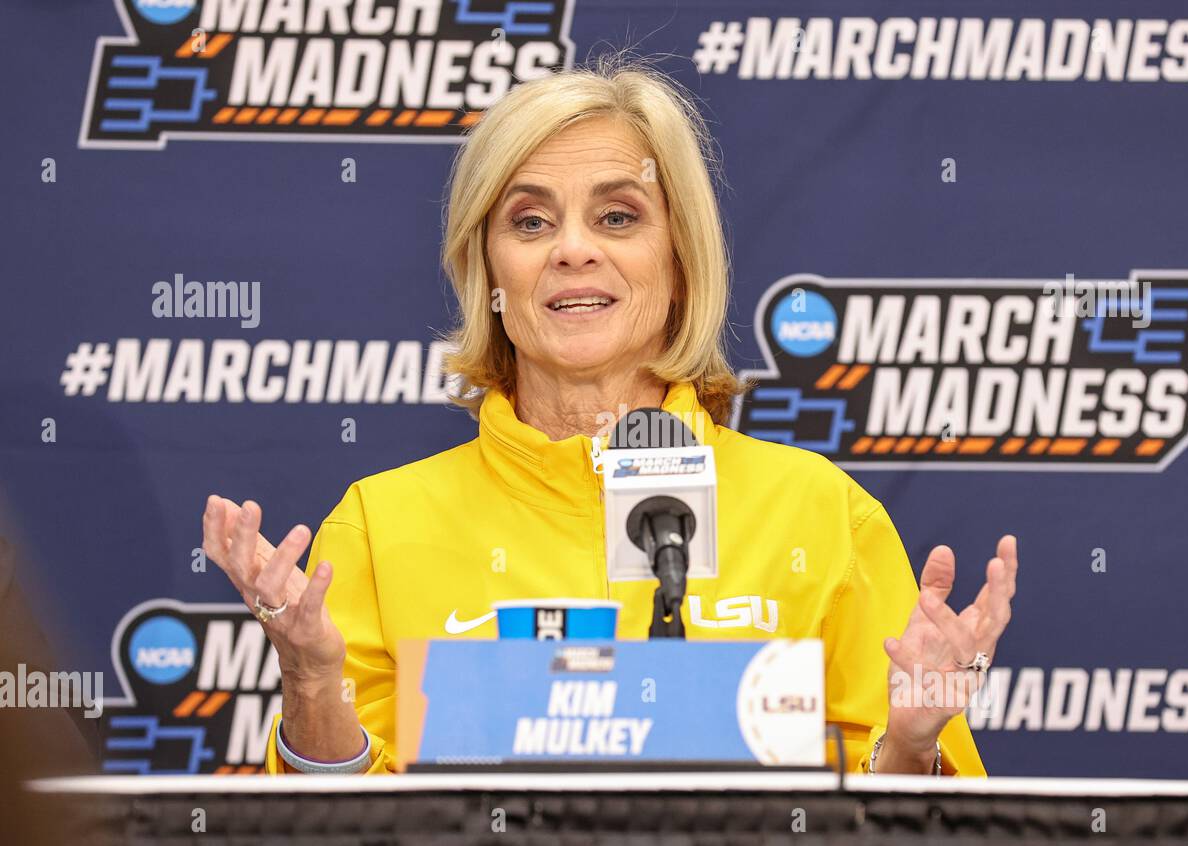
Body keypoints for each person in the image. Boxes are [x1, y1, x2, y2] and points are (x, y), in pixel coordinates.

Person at [200, 56, 1017, 777]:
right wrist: (310, 682)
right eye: (530, 221)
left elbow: (911, 841)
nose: (572, 249)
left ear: (680, 262)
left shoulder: (819, 512)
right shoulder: (379, 527)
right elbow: (337, 842)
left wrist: (911, 744)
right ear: (488, 270)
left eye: (617, 216)